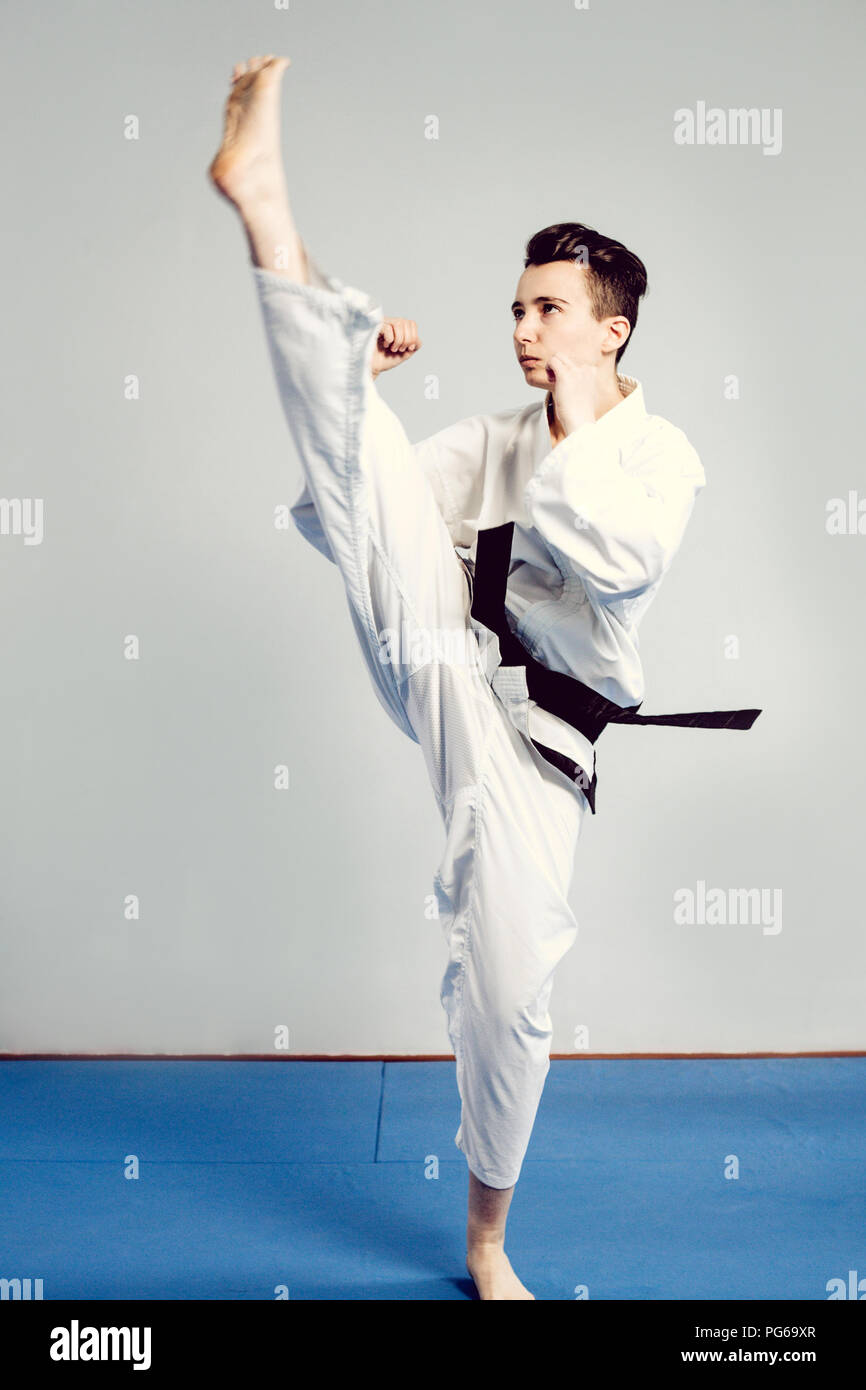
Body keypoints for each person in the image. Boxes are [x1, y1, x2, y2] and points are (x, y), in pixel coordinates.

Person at [208, 55, 756, 1300]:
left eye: (546, 312)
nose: (521, 330)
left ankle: (484, 1241)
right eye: (514, 309)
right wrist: (357, 393)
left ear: (608, 328)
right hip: (441, 662)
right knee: (368, 458)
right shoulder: (494, 436)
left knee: (510, 1001)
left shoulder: (659, 454)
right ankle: (264, 204)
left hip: (541, 751)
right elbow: (362, 515)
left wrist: (564, 424)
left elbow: (616, 566)